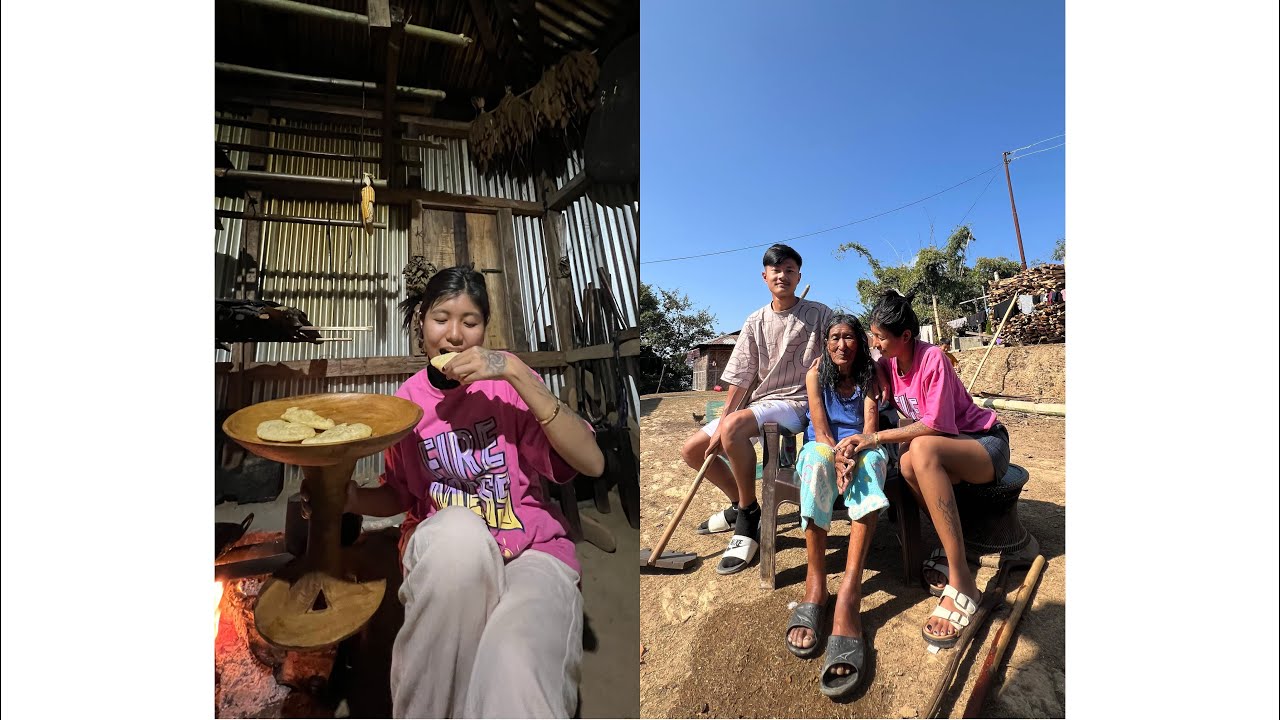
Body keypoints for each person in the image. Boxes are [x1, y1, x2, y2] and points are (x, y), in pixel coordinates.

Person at [337, 265, 605, 718]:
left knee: (515, 667)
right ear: (421, 325)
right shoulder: (405, 404)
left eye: (471, 321)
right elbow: (400, 494)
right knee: (459, 532)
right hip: (449, 556)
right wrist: (350, 500)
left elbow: (592, 462)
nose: (455, 335)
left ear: (485, 329)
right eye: (442, 318)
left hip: (531, 550)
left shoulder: (512, 387)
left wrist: (516, 371)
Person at [847, 289, 1011, 649]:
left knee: (917, 448)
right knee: (907, 464)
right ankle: (957, 546)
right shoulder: (889, 362)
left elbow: (936, 424)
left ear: (906, 336)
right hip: (951, 451)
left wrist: (874, 438)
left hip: (986, 444)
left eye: (880, 337)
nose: (875, 343)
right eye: (872, 335)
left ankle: (962, 580)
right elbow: (871, 382)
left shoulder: (932, 357)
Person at [679, 243, 832, 574]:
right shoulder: (754, 321)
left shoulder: (820, 314)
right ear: (764, 277)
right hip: (759, 403)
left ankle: (748, 518)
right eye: (776, 270)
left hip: (796, 402)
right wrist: (721, 422)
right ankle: (741, 502)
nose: (783, 276)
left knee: (732, 429)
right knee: (693, 450)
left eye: (790, 270)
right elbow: (741, 378)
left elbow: (845, 347)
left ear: (799, 276)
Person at [783, 313, 892, 698]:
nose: (841, 344)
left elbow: (868, 425)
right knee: (814, 462)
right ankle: (816, 586)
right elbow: (821, 427)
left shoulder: (868, 375)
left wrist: (854, 450)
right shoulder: (816, 375)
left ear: (859, 343)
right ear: (825, 344)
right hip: (824, 445)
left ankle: (848, 593)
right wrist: (835, 455)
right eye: (834, 338)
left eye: (849, 337)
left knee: (873, 462)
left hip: (861, 445)